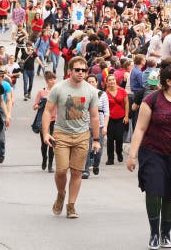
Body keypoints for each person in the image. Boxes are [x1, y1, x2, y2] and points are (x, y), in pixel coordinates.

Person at [127, 65, 171, 250]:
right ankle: (154, 233)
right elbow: (140, 128)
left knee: (170, 193)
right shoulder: (152, 100)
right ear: (168, 81)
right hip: (153, 152)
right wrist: (132, 156)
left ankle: (165, 234)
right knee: (153, 189)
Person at [41, 56, 101, 219]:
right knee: (61, 170)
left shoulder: (91, 91)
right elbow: (47, 111)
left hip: (82, 135)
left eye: (84, 70)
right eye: (77, 70)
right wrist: (46, 133)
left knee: (76, 172)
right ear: (70, 71)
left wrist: (96, 139)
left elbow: (95, 116)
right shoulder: (58, 88)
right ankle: (61, 194)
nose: (81, 73)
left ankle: (71, 205)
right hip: (61, 133)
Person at [82, 74, 109, 179]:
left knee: (99, 150)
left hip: (100, 125)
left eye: (93, 81)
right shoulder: (83, 94)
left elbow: (106, 112)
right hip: (86, 125)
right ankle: (85, 170)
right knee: (86, 149)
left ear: (96, 82)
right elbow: (81, 109)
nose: (91, 83)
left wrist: (105, 126)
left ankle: (96, 164)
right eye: (89, 82)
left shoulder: (102, 94)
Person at [33, 71, 57, 173]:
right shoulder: (41, 92)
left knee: (52, 143)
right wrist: (41, 104)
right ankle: (44, 159)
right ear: (47, 81)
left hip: (55, 121)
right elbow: (34, 106)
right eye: (51, 79)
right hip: (44, 121)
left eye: (54, 79)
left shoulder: (57, 92)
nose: (53, 81)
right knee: (44, 143)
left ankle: (50, 165)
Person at [104, 72, 129, 165]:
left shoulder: (122, 91)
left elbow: (126, 103)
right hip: (109, 118)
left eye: (113, 80)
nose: (112, 81)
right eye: (109, 80)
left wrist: (126, 116)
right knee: (110, 139)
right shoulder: (104, 93)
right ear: (106, 82)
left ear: (116, 80)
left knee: (119, 137)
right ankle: (110, 158)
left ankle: (119, 152)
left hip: (121, 117)